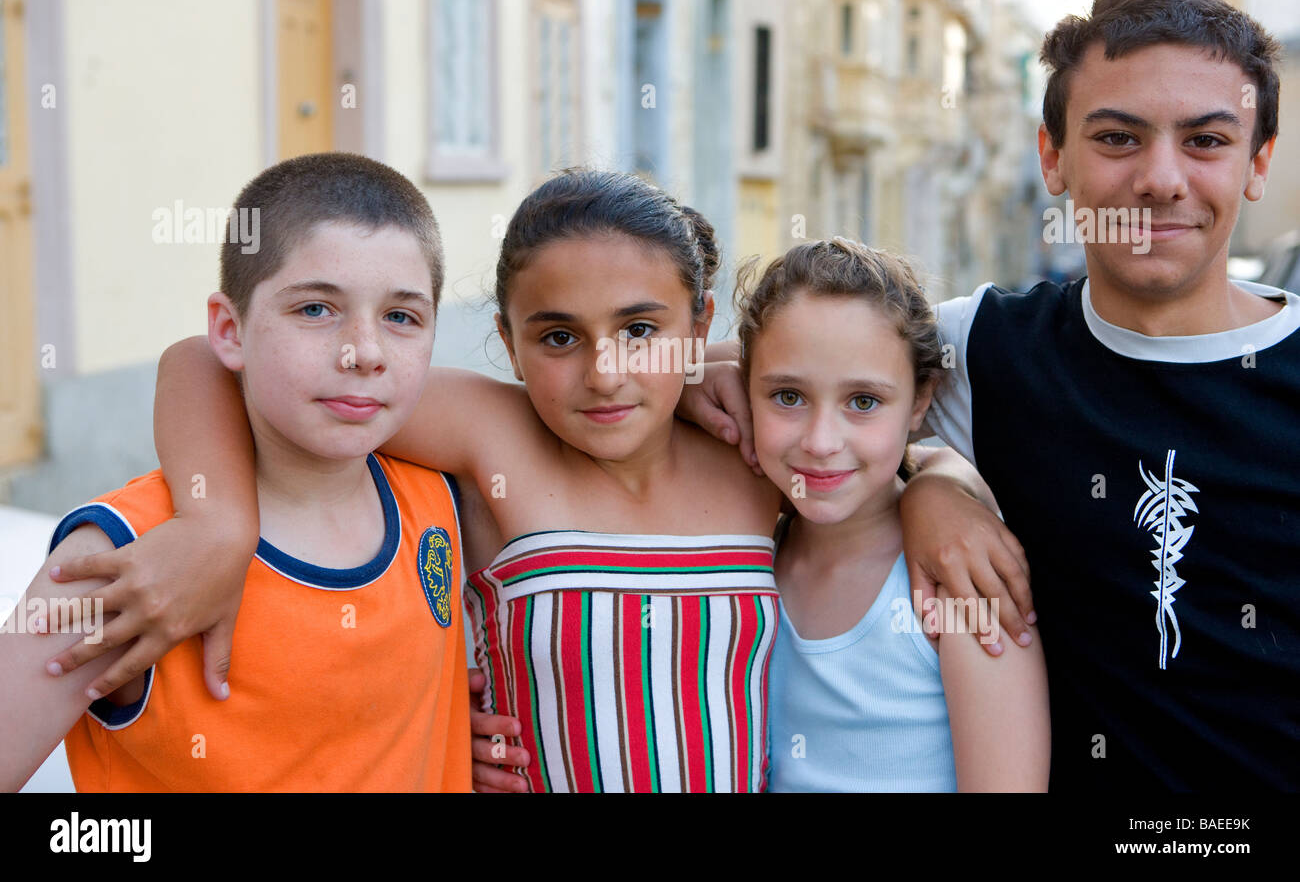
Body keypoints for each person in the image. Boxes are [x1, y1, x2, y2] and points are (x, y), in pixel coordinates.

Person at [40, 169, 1008, 792]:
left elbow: (850, 440)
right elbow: (213, 359)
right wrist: (215, 524)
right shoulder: (482, 428)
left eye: (639, 328)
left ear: (697, 315)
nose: (602, 371)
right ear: (506, 339)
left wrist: (940, 481)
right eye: (556, 336)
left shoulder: (746, 447)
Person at [692, 0, 1299, 791]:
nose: (1160, 177)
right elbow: (775, 373)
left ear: (1258, 161)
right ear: (1052, 157)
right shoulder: (985, 346)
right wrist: (930, 481)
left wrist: (930, 481)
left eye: (1206, 140)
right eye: (1117, 137)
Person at [0, 152, 474, 791]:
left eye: (401, 317)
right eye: (315, 310)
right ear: (229, 328)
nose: (364, 352)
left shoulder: (439, 499)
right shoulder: (127, 556)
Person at [739, 238, 1049, 791]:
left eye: (863, 401)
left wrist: (941, 482)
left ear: (922, 401)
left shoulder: (960, 582)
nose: (820, 441)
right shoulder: (745, 556)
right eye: (788, 396)